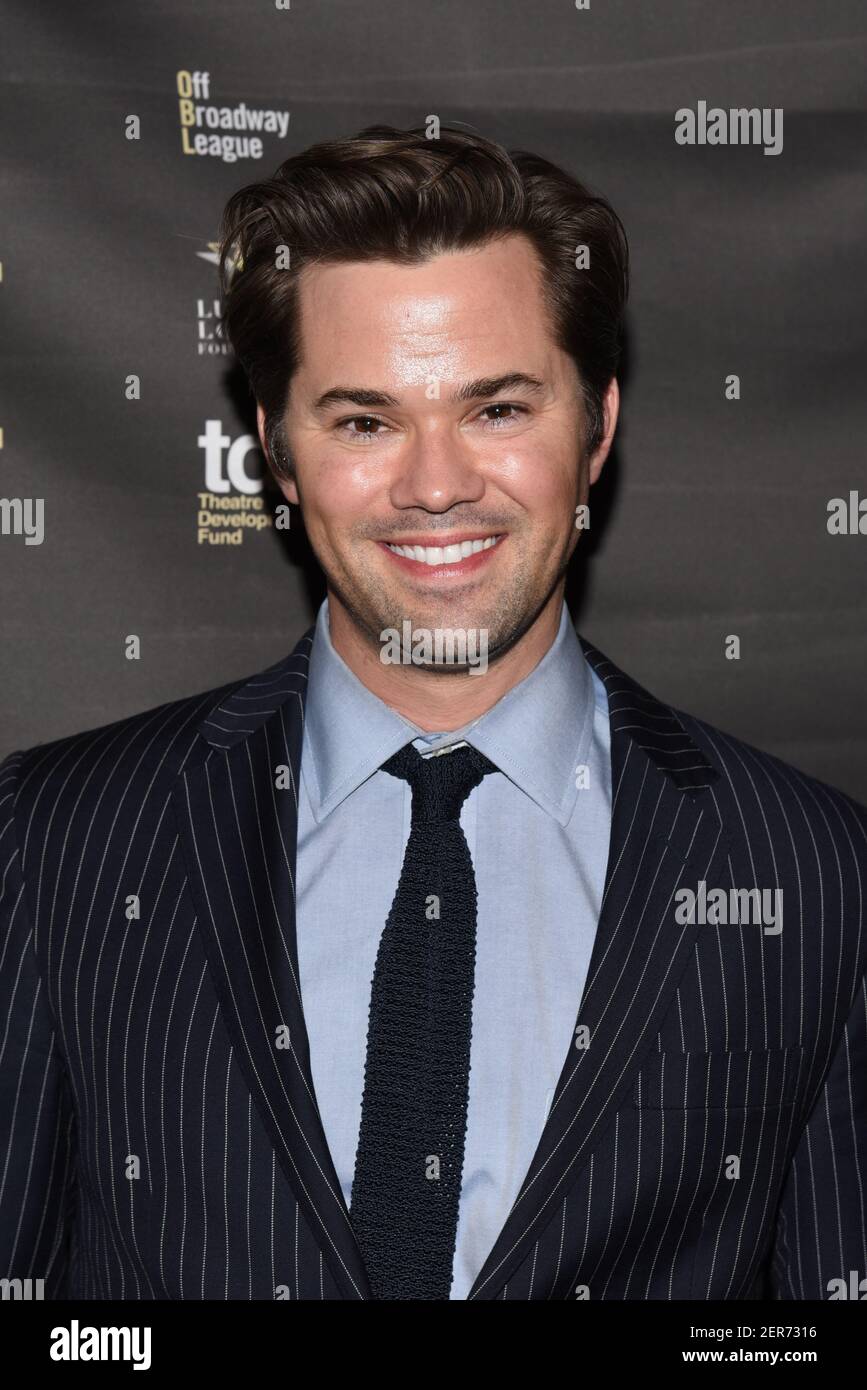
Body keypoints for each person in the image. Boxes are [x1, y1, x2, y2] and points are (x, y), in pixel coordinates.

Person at [1, 124, 864, 1301]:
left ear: (598, 425)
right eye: (365, 421)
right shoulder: (56, 842)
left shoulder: (811, 872)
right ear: (275, 450)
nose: (437, 483)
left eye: (498, 409)